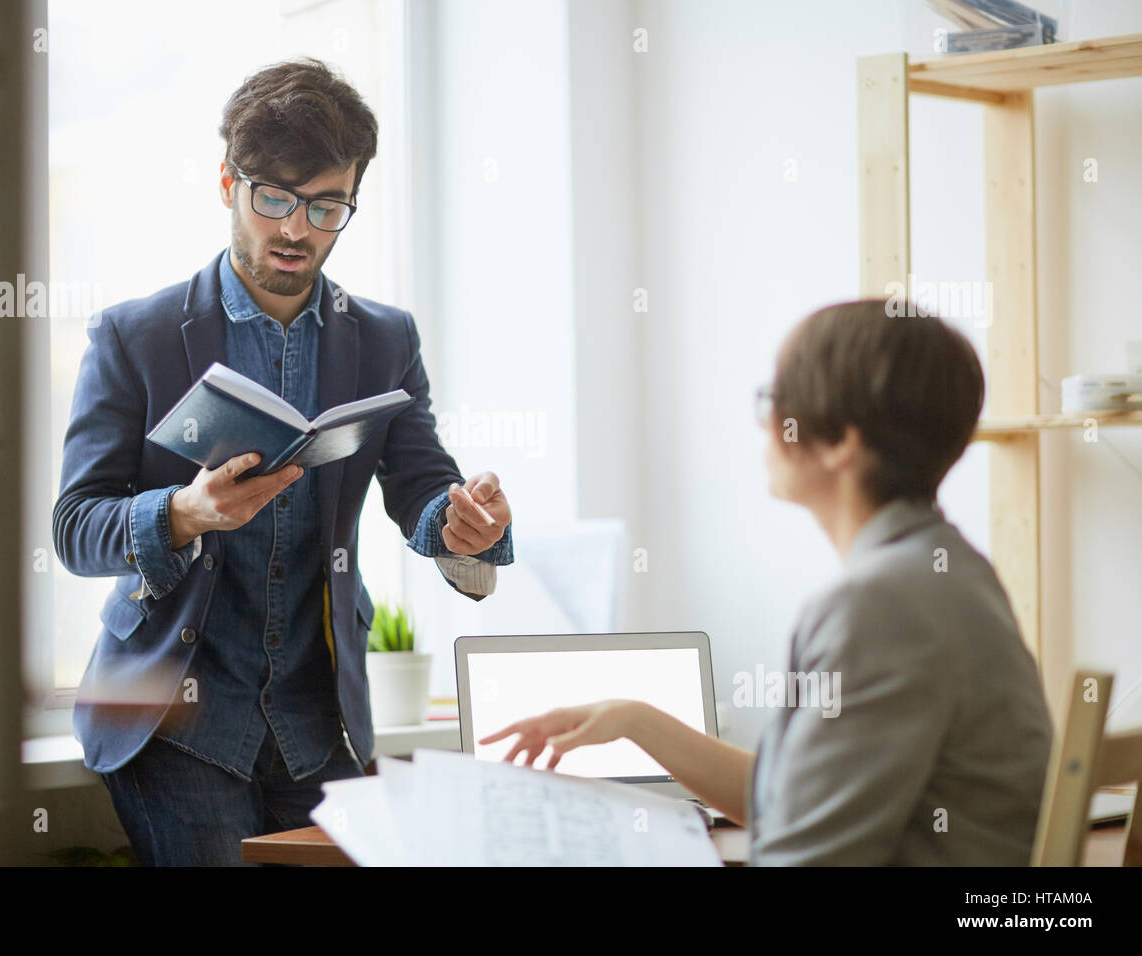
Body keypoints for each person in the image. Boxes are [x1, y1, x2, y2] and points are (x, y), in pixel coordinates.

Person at [53, 58, 514, 866]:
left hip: (319, 729)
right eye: (274, 198)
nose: (298, 229)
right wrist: (182, 512)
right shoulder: (137, 335)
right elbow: (73, 526)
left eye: (328, 205)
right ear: (228, 182)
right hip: (176, 722)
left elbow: (420, 487)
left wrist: (462, 525)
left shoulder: (385, 339)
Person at [483, 300, 1052, 865]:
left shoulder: (879, 604)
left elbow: (803, 854)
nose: (763, 425)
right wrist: (635, 719)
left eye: (774, 402)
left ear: (839, 443)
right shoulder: (946, 570)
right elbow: (792, 808)